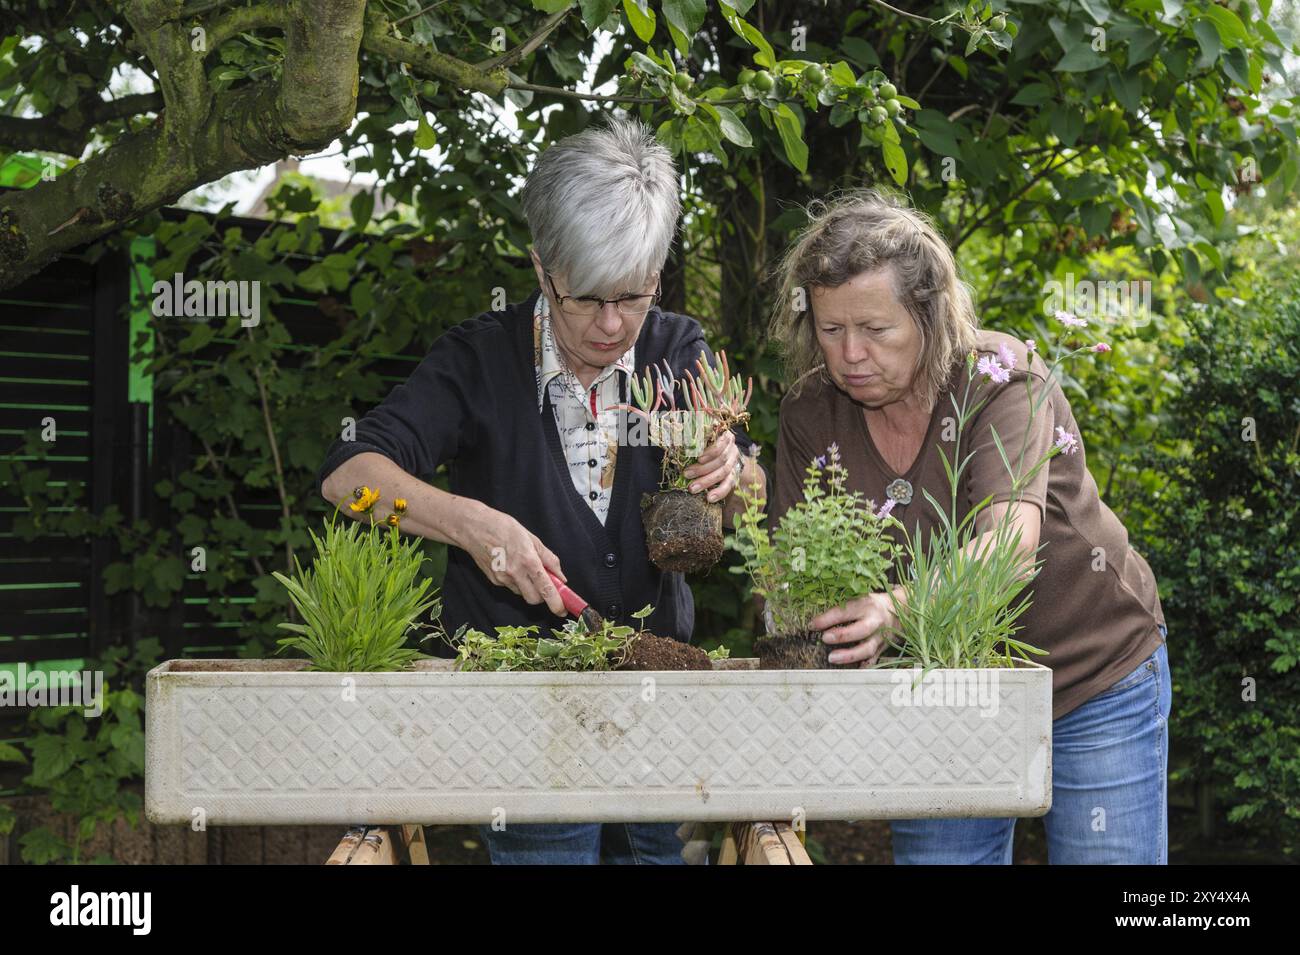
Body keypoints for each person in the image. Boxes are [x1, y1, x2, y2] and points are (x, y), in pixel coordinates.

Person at [316, 117, 766, 865]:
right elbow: (346, 476)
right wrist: (466, 523)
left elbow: (753, 494)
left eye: (635, 294)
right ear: (539, 265)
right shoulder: (477, 361)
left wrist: (729, 471)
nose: (612, 324)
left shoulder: (675, 351)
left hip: (661, 702)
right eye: (585, 298)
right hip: (524, 711)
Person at [767, 189, 1170, 864]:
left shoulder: (997, 378)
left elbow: (1008, 548)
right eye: (832, 331)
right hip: (942, 689)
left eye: (876, 329)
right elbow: (793, 570)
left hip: (1087, 672)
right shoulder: (811, 412)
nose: (850, 354)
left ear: (928, 314)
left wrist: (893, 608)